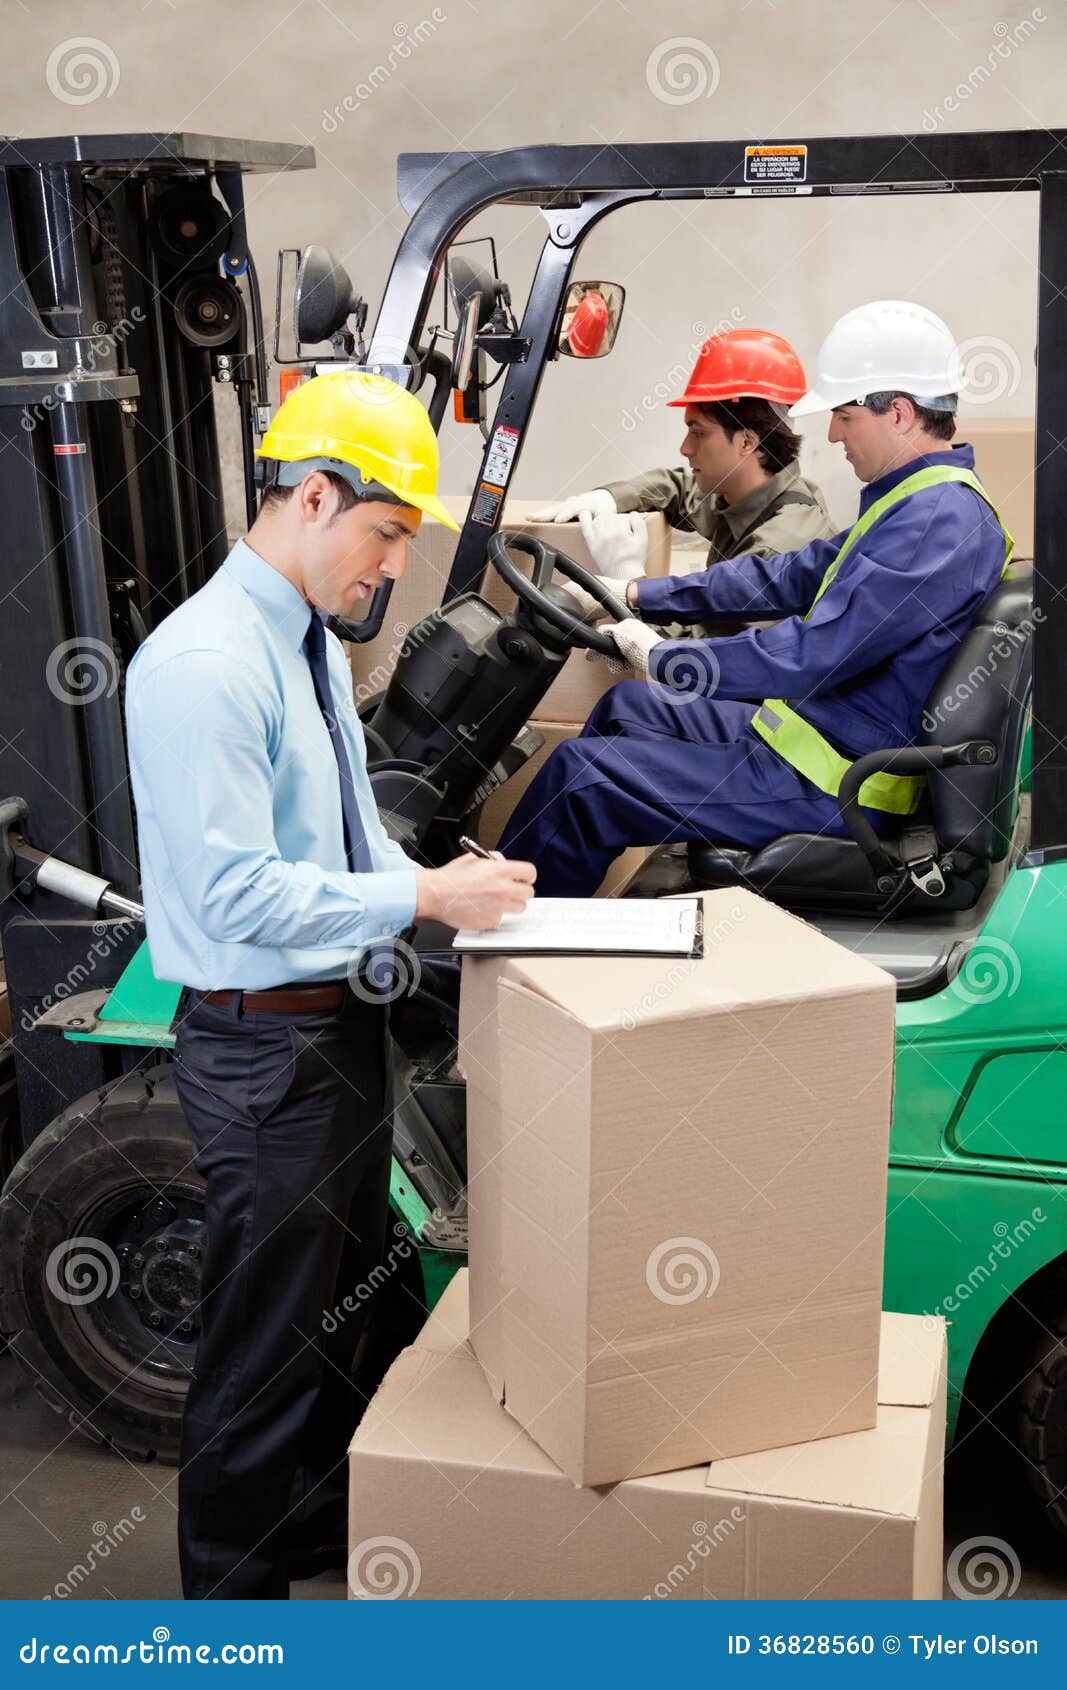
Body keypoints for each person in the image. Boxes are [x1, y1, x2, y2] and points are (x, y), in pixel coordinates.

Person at [124, 370, 535, 1599]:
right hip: (263, 1056)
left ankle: (317, 1528)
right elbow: (239, 895)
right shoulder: (204, 665)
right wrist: (418, 901)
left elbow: (345, 833)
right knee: (261, 1357)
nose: (390, 571)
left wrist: (437, 881)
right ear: (314, 496)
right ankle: (229, 1613)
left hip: (334, 1036)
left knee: (353, 1310)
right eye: (387, 536)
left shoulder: (299, 640)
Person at [497, 301, 1012, 898]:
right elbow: (786, 576)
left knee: (580, 778)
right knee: (626, 710)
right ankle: (577, 908)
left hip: (838, 781)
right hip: (812, 739)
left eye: (843, 415)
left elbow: (813, 652)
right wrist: (635, 593)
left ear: (898, 414)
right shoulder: (914, 503)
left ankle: (488, 960)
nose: (832, 433)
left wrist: (665, 658)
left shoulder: (934, 521)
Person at [533, 328, 836, 615]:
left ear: (746, 441)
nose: (685, 448)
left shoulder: (777, 547)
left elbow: (696, 657)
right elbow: (677, 487)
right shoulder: (748, 494)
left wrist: (630, 581)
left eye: (698, 432)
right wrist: (608, 498)